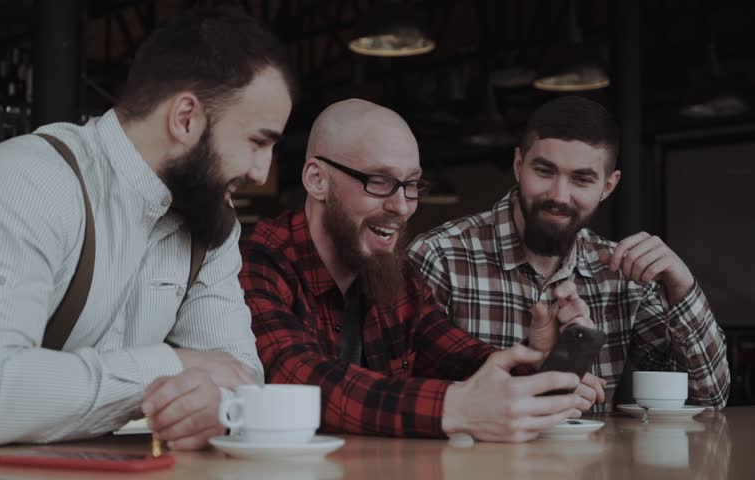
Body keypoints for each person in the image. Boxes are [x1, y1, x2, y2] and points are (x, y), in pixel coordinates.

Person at [0, 6, 293, 449]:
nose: (263, 173)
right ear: (186, 118)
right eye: (257, 142)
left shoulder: (210, 227)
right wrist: (170, 368)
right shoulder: (25, 184)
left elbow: (239, 375)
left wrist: (214, 409)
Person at [239, 99, 606, 443]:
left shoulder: (399, 279)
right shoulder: (259, 260)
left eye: (411, 185)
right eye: (379, 181)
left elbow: (461, 359)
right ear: (317, 180)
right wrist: (455, 407)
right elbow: (294, 377)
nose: (402, 206)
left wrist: (536, 366)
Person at [407, 95, 729, 409]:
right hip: (470, 462)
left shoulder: (621, 273)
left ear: (608, 186)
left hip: (591, 464)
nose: (559, 196)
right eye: (545, 171)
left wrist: (682, 287)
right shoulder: (440, 256)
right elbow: (403, 388)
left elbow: (710, 397)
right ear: (519, 165)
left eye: (581, 179)